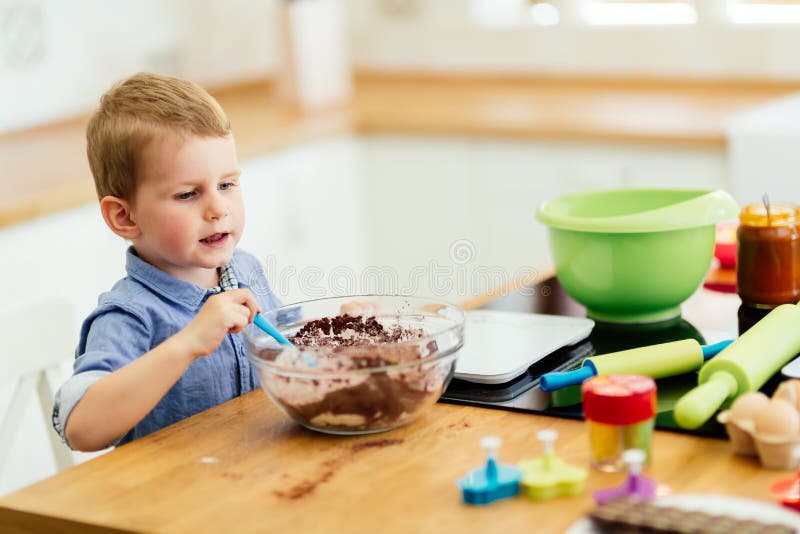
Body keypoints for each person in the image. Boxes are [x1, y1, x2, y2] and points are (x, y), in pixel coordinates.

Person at [52, 72, 281, 451]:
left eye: (226, 185)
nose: (218, 209)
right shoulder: (129, 316)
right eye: (188, 194)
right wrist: (188, 343)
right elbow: (81, 427)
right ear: (125, 217)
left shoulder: (246, 270)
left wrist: (343, 347)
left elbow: (286, 359)